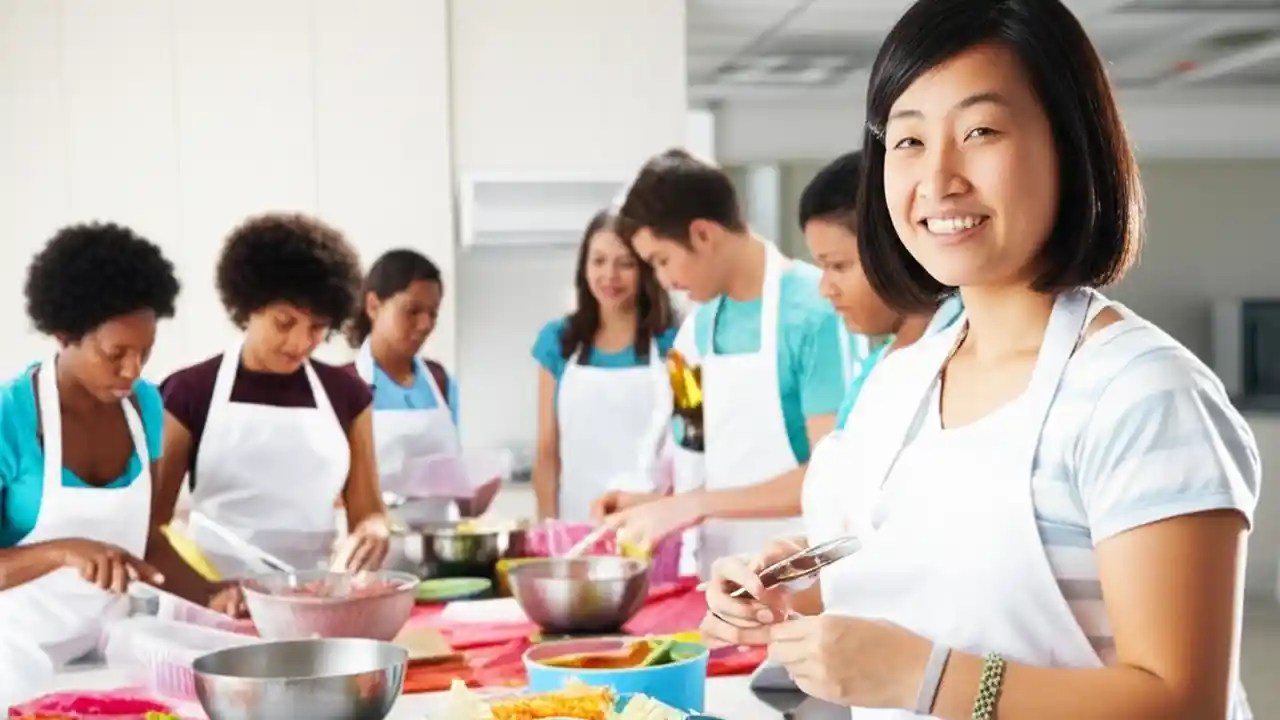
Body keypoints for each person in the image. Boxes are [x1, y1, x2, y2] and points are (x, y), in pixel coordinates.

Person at [702, 1, 1259, 718]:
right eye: (907, 141)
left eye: (980, 131)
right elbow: (907, 565)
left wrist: (927, 679)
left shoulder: (1142, 392)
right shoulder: (902, 379)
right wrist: (787, 579)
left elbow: (1183, 703)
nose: (938, 179)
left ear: (1069, 143)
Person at [600, 150, 859, 579]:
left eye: (661, 260)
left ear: (702, 234)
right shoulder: (694, 334)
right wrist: (655, 505)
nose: (662, 281)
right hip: (719, 575)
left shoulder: (818, 310)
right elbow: (693, 447)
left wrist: (692, 504)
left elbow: (829, 478)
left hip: (799, 578)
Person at [0, 223, 185, 699]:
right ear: (64, 335)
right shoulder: (10, 417)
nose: (134, 370)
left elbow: (148, 544)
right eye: (115, 353)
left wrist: (219, 594)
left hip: (105, 650)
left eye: (145, 351)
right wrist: (61, 551)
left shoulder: (144, 407)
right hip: (13, 654)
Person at [156, 213, 390, 580]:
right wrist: (204, 593)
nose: (300, 342)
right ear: (250, 305)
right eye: (284, 323)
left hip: (316, 593)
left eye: (316, 328)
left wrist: (374, 531)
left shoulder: (349, 395)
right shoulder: (189, 391)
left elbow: (369, 512)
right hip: (214, 598)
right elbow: (154, 525)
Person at [531, 210, 677, 523]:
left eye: (624, 263)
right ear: (584, 267)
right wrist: (548, 526)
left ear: (645, 269)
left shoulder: (673, 342)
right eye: (598, 261)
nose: (609, 276)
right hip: (576, 524)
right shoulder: (558, 341)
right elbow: (547, 450)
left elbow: (687, 451)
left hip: (650, 524)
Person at [344, 249, 469, 524]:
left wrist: (473, 496)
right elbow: (331, 491)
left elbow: (457, 483)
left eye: (432, 314)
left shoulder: (440, 381)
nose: (425, 325)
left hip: (440, 549)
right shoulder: (344, 386)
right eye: (412, 311)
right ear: (374, 306)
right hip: (374, 555)